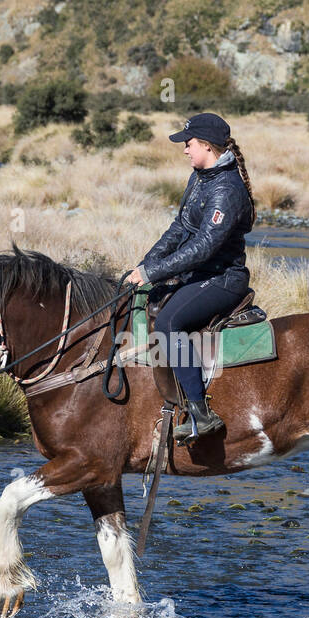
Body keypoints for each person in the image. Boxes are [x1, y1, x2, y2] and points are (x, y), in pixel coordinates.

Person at [124, 112, 257, 443]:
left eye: (189, 144)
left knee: (169, 322)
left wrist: (154, 272)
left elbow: (205, 247)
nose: (184, 150)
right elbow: (181, 226)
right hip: (197, 274)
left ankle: (201, 412)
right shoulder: (200, 176)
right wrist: (145, 266)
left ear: (207, 146)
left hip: (222, 278)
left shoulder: (227, 189)